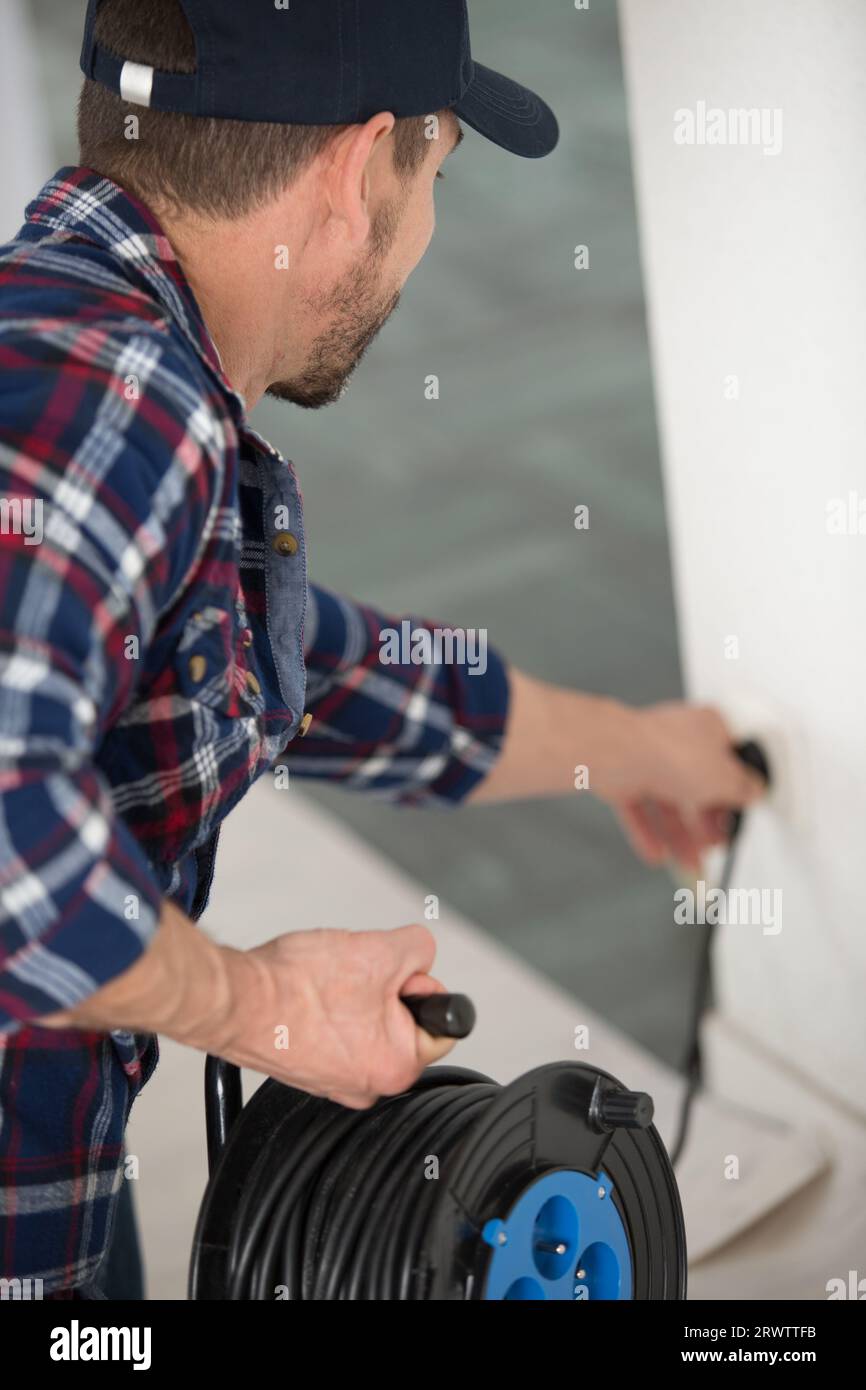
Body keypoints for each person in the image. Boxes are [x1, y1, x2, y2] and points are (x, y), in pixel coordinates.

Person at [0, 0, 764, 1298]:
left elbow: (294, 667)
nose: (422, 240)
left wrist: (634, 750)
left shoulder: (61, 335)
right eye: (438, 174)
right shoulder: (135, 415)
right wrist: (264, 1007)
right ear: (359, 171)